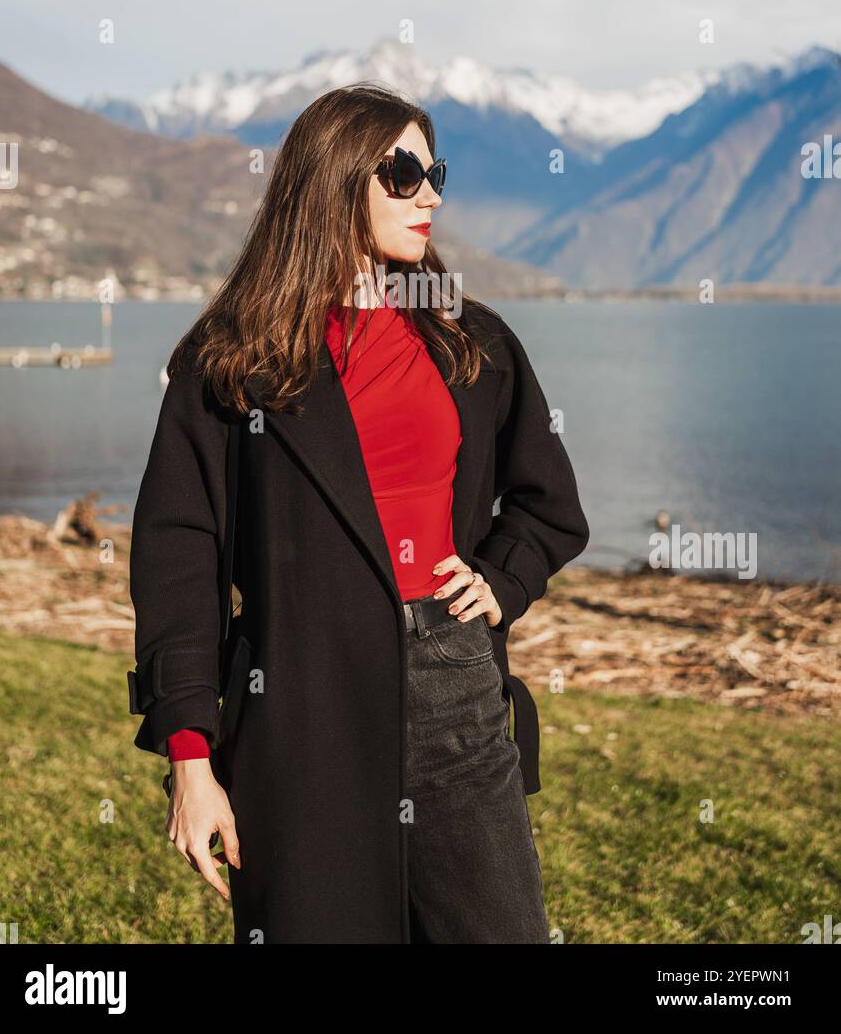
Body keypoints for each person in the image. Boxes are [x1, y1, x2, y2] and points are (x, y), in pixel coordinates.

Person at [127, 81, 589, 944]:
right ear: (333, 179)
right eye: (403, 173)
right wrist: (191, 758)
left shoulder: (471, 340)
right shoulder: (228, 360)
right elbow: (177, 561)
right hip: (299, 710)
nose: (432, 196)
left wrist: (500, 577)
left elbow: (547, 503)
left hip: (456, 687)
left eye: (434, 171)